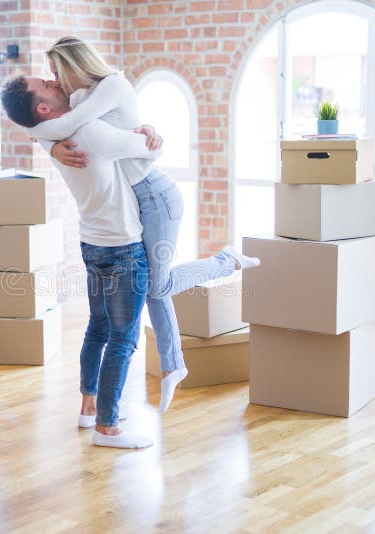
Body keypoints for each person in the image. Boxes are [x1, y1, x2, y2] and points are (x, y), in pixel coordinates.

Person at [25, 37, 260, 413]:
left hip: (157, 195)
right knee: (153, 289)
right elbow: (50, 119)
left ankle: (225, 262)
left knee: (157, 285)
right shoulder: (82, 101)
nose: (56, 80)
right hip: (138, 198)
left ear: (74, 64)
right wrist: (43, 140)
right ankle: (173, 367)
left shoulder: (111, 85)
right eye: (50, 77)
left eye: (56, 72)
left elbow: (67, 124)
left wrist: (42, 137)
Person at [1, 75, 159, 449]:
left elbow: (36, 133)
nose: (55, 81)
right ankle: (108, 427)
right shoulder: (90, 132)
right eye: (45, 84)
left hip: (91, 244)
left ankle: (89, 407)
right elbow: (151, 149)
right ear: (43, 107)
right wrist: (148, 130)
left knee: (98, 328)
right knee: (123, 338)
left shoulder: (53, 139)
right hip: (122, 246)